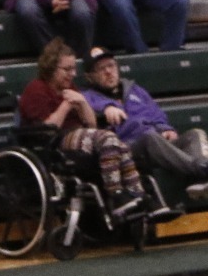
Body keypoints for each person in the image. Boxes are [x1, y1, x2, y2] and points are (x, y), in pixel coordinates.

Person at [16, 41, 155, 221]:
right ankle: (116, 195)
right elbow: (48, 129)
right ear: (51, 68)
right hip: (55, 139)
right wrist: (66, 105)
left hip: (82, 134)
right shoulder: (36, 89)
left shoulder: (71, 87)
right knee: (109, 140)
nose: (73, 74)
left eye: (74, 69)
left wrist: (81, 102)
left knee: (119, 144)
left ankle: (138, 195)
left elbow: (91, 123)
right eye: (67, 69)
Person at [80, 47, 208, 202]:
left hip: (156, 142)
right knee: (149, 137)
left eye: (111, 65)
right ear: (89, 77)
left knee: (194, 134)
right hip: (126, 149)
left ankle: (198, 183)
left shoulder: (135, 90)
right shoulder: (87, 97)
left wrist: (165, 128)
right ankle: (203, 169)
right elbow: (89, 120)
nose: (108, 72)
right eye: (101, 69)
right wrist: (104, 109)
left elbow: (156, 114)